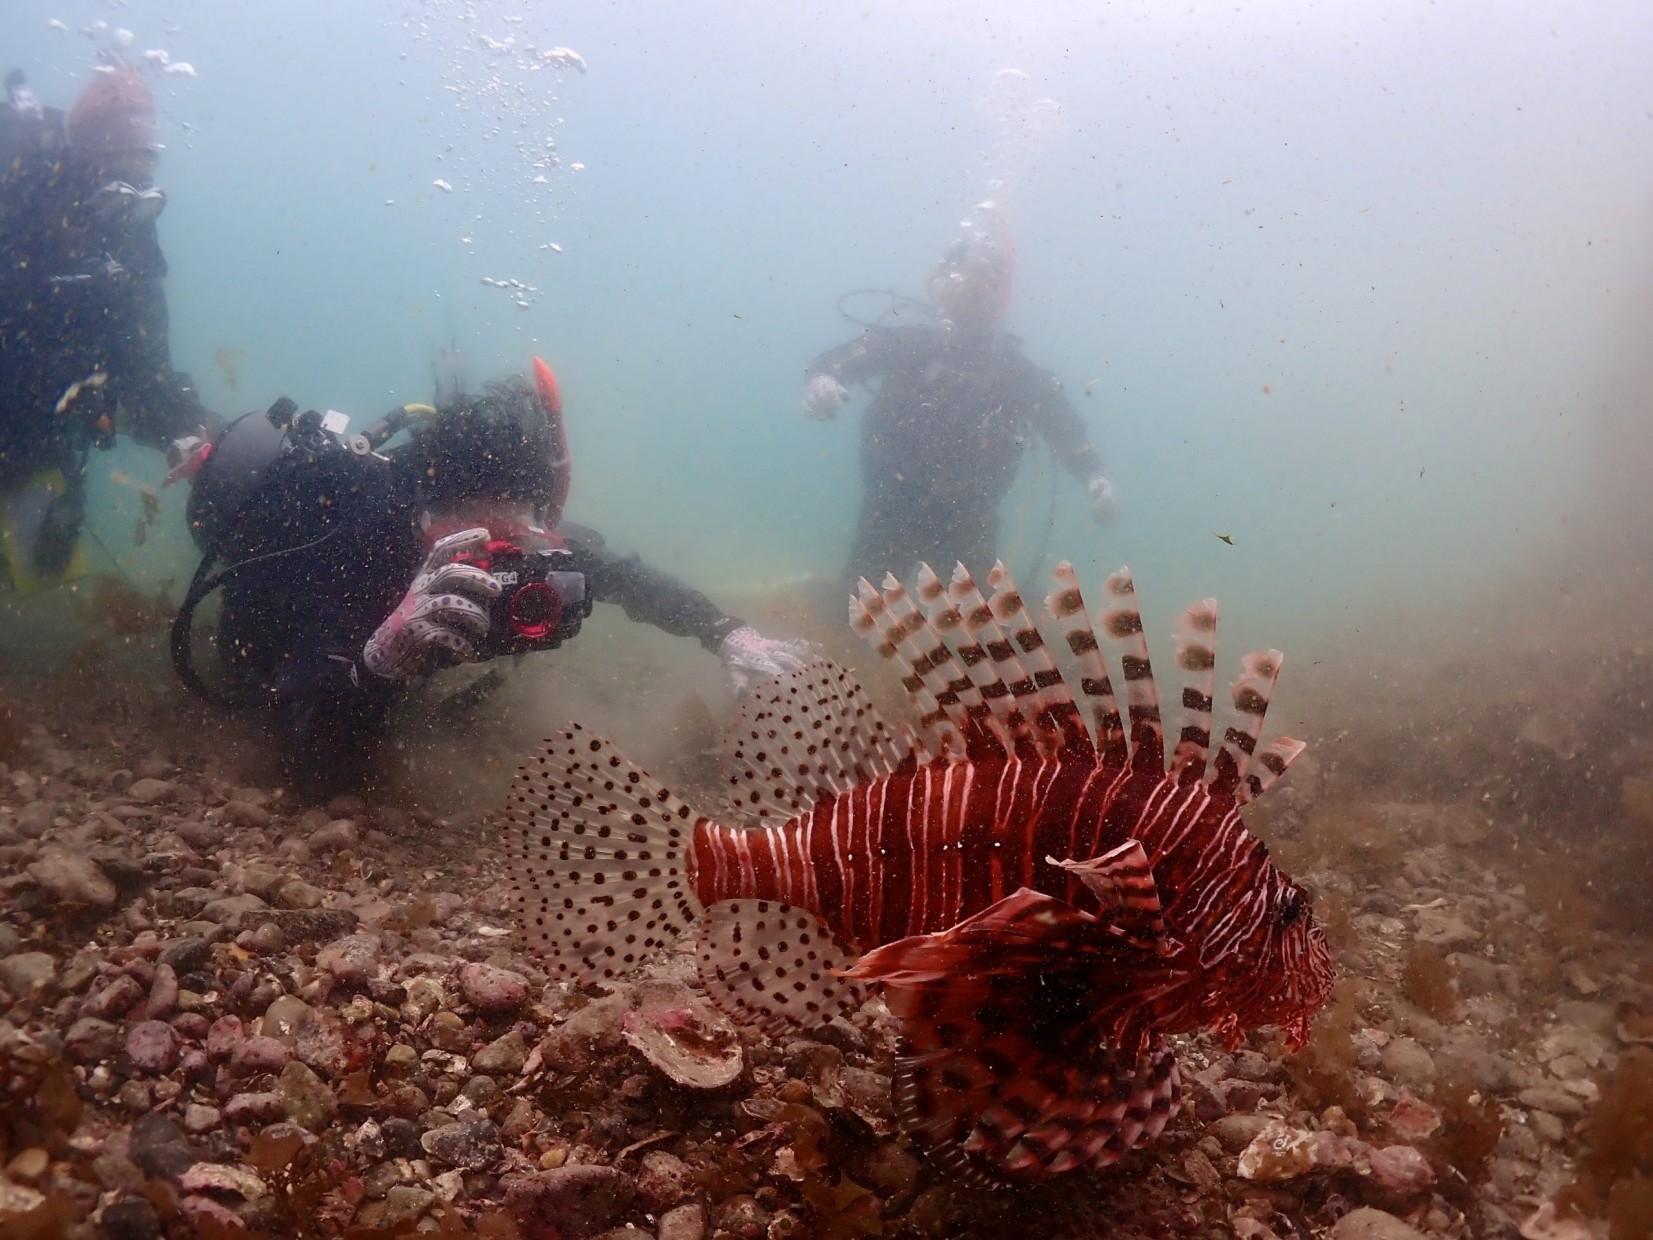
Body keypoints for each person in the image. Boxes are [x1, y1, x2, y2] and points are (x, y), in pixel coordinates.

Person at [171, 362, 811, 798]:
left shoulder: (534, 541)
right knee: (249, 665)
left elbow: (624, 576)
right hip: (275, 622)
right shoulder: (356, 548)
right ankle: (191, 438)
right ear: (425, 517)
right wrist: (376, 663)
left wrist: (725, 632)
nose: (497, 567)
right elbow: (310, 764)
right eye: (474, 546)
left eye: (513, 545)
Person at [801, 209, 1116, 591]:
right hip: (888, 506)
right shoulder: (908, 344)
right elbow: (839, 360)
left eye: (981, 294)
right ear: (940, 290)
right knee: (856, 607)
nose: (969, 303)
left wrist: (1094, 474)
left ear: (999, 301)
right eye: (961, 291)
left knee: (979, 623)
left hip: (968, 519)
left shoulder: (1014, 370)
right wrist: (822, 379)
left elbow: (1061, 423)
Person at [0, 61, 211, 594]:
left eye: (141, 184)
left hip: (37, 425)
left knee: (46, 556)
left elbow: (145, 354)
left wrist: (182, 427)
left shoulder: (130, 233)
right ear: (79, 165)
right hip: (17, 394)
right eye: (116, 182)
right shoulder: (19, 205)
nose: (128, 202)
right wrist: (61, 379)